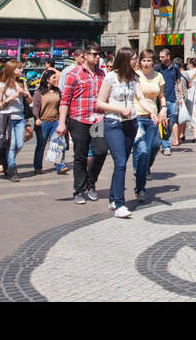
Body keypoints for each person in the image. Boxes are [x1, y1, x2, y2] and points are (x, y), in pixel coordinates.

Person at [57, 48, 108, 204]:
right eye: (94, 54)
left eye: (99, 54)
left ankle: (90, 182)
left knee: (101, 151)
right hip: (78, 119)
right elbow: (65, 99)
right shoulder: (73, 74)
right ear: (85, 56)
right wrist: (61, 122)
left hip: (97, 119)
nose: (97, 57)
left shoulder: (101, 74)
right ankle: (79, 190)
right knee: (80, 155)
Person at [97, 48, 140, 218]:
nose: (136, 62)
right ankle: (120, 205)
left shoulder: (134, 77)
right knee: (121, 162)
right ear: (125, 60)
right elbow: (100, 103)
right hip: (113, 123)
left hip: (131, 123)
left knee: (120, 163)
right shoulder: (110, 77)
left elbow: (141, 97)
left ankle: (113, 198)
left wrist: (153, 110)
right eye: (134, 59)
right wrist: (120, 109)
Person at [130, 50, 164, 201]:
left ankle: (142, 168)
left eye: (149, 60)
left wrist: (164, 108)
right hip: (137, 117)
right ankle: (140, 187)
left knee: (154, 146)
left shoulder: (159, 76)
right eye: (143, 60)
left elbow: (162, 97)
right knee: (143, 150)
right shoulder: (135, 75)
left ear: (153, 62)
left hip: (153, 118)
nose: (146, 63)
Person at [0, 62, 30, 181]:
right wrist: (11, 98)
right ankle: (12, 170)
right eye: (19, 68)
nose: (21, 70)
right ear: (12, 70)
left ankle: (5, 159)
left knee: (20, 144)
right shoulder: (2, 85)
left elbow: (30, 101)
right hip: (7, 117)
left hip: (20, 117)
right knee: (12, 145)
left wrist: (25, 95)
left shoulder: (22, 83)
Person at [32, 69, 62, 175]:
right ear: (47, 79)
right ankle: (37, 166)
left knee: (57, 144)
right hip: (43, 122)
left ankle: (59, 165)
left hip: (55, 121)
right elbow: (35, 106)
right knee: (41, 145)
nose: (56, 79)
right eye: (54, 78)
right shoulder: (39, 92)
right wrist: (37, 118)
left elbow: (61, 105)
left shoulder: (58, 91)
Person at [157, 47, 180, 155]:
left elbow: (178, 81)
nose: (160, 58)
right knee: (164, 123)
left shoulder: (175, 68)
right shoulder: (158, 68)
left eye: (162, 57)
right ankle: (166, 146)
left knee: (171, 123)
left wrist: (182, 96)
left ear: (168, 57)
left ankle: (162, 140)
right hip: (162, 100)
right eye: (160, 57)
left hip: (172, 98)